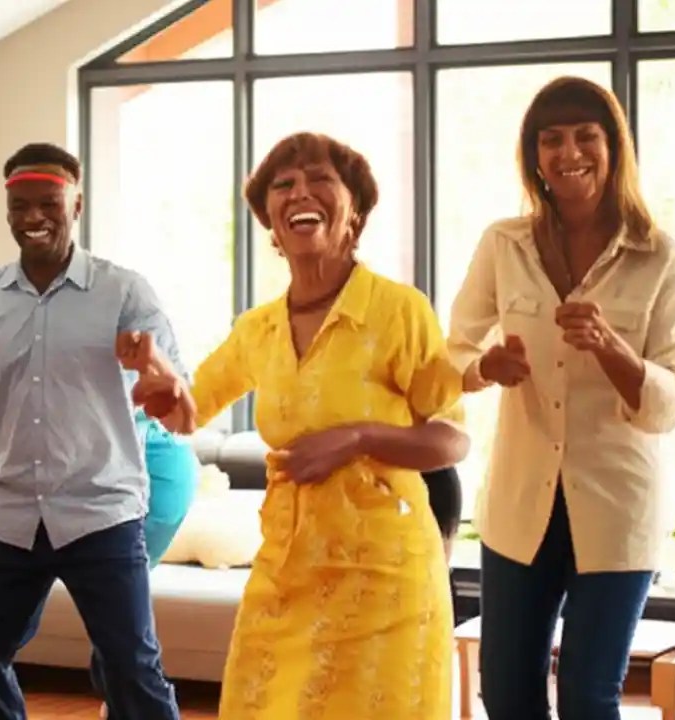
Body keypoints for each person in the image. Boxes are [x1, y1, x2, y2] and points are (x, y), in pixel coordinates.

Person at [133, 131, 470, 719]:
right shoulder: (258, 329)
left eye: (320, 180)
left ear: (354, 211)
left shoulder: (397, 310)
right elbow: (191, 411)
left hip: (385, 576)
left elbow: (451, 437)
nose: (299, 193)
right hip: (288, 569)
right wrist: (162, 390)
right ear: (270, 220)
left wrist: (359, 438)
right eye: (283, 185)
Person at [447, 76, 675, 720]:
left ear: (614, 147)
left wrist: (612, 347)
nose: (569, 151)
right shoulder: (504, 243)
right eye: (550, 139)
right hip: (520, 506)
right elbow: (452, 350)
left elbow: (672, 400)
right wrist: (484, 367)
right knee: (505, 694)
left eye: (587, 135)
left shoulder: (658, 255)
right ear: (534, 156)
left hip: (617, 511)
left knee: (588, 698)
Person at [0, 142, 186, 720]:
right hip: (11, 514)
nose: (33, 217)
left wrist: (150, 367)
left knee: (130, 667)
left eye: (48, 203)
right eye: (20, 206)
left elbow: (178, 397)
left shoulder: (125, 294)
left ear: (77, 204)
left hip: (102, 510)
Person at [95, 408, 199, 718]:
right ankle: (118, 703)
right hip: (148, 481)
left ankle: (121, 702)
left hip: (156, 481)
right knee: (117, 616)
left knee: (119, 618)